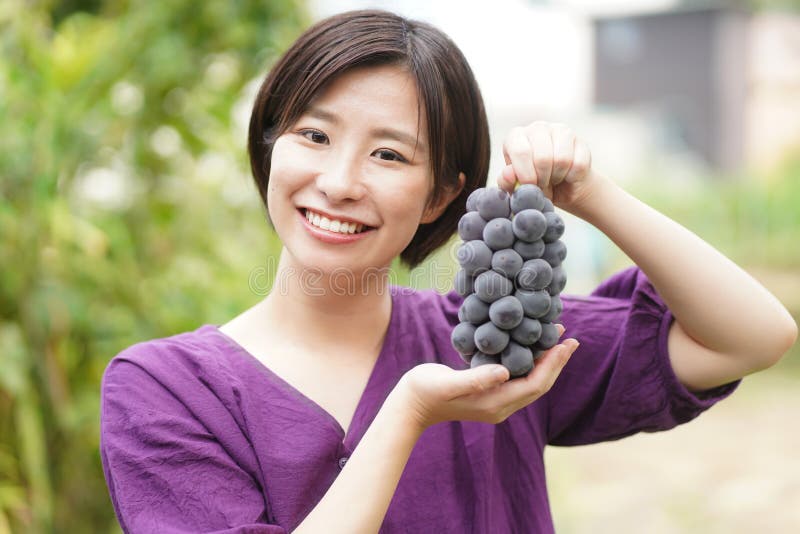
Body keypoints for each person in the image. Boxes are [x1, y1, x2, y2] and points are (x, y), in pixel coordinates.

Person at [99, 9, 797, 534]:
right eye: (314, 135)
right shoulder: (163, 390)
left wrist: (591, 195)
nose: (339, 182)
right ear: (272, 146)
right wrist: (409, 414)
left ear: (441, 195)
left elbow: (752, 337)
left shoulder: (492, 343)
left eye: (390, 156)